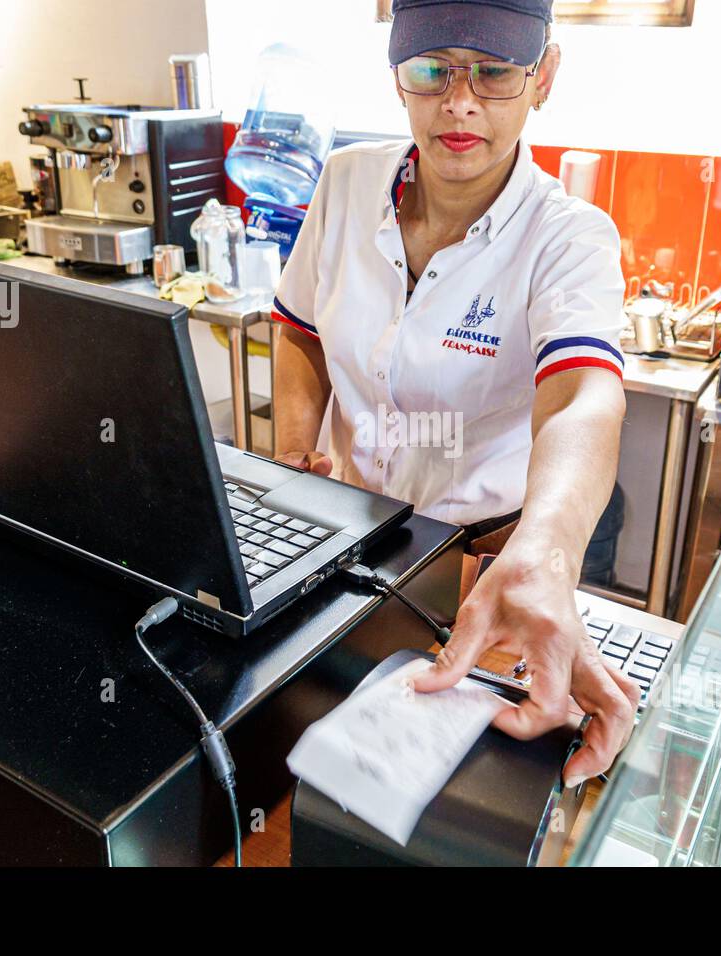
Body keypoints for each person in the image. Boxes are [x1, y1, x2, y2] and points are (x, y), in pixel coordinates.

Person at [271, 0, 637, 787]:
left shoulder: (568, 236)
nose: (459, 102)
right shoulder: (345, 182)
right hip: (350, 548)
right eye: (433, 69)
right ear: (397, 76)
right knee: (309, 776)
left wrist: (544, 553)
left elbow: (583, 398)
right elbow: (300, 328)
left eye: (495, 72)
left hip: (483, 571)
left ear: (544, 78)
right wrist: (293, 453)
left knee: (468, 794)